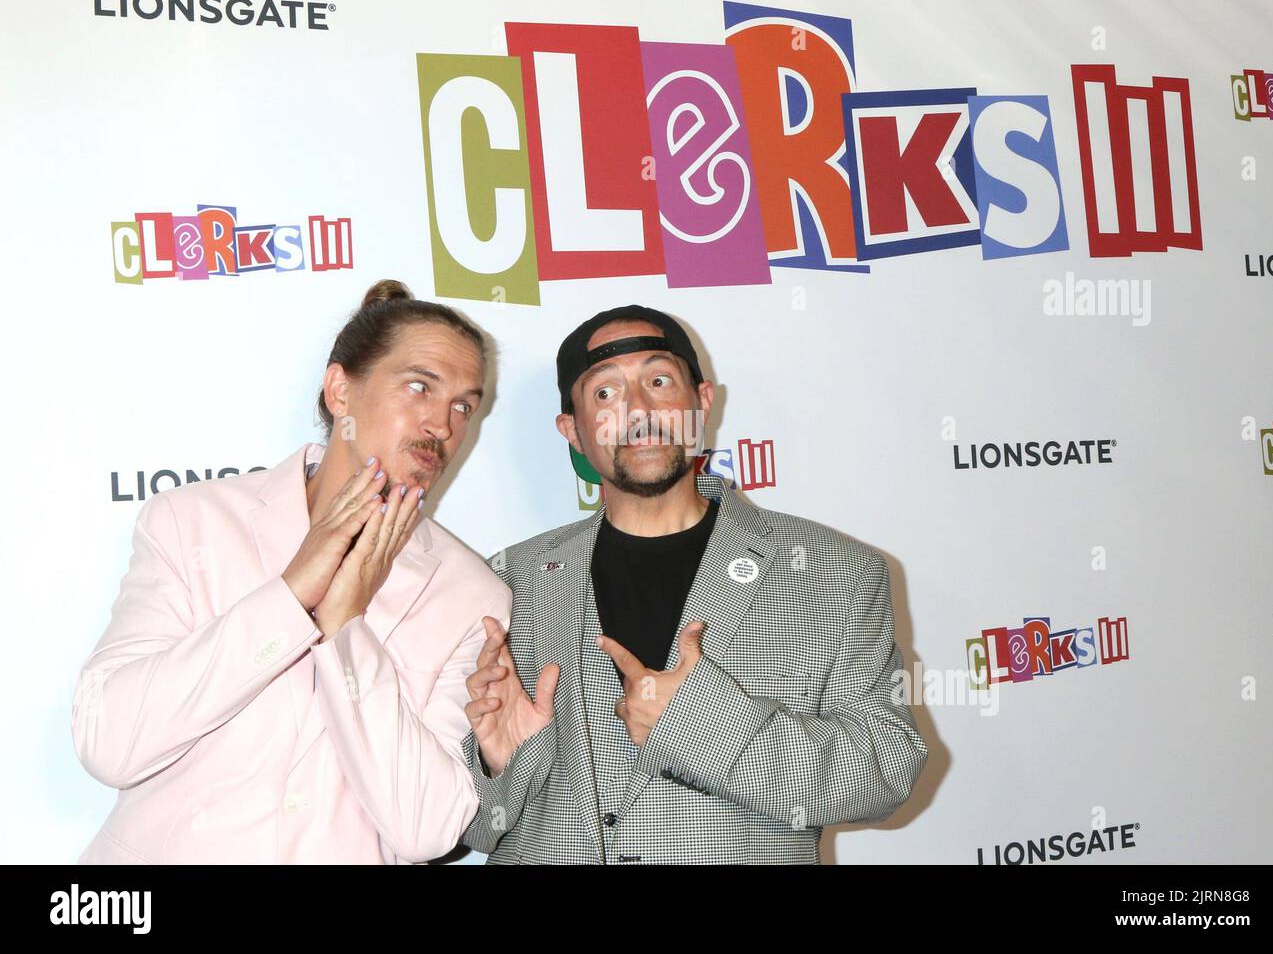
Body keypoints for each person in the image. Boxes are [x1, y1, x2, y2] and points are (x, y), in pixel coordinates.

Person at [459, 304, 928, 864]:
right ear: (573, 432)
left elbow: (885, 774)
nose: (638, 410)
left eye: (659, 381)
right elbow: (477, 831)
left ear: (702, 401)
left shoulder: (834, 570)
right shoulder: (510, 581)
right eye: (605, 395)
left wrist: (701, 725)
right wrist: (498, 765)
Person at [72, 279, 509, 864]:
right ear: (340, 391)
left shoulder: (471, 593)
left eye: (463, 405)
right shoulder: (194, 522)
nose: (442, 425)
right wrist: (290, 595)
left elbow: (426, 829)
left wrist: (345, 628)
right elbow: (110, 743)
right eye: (418, 387)